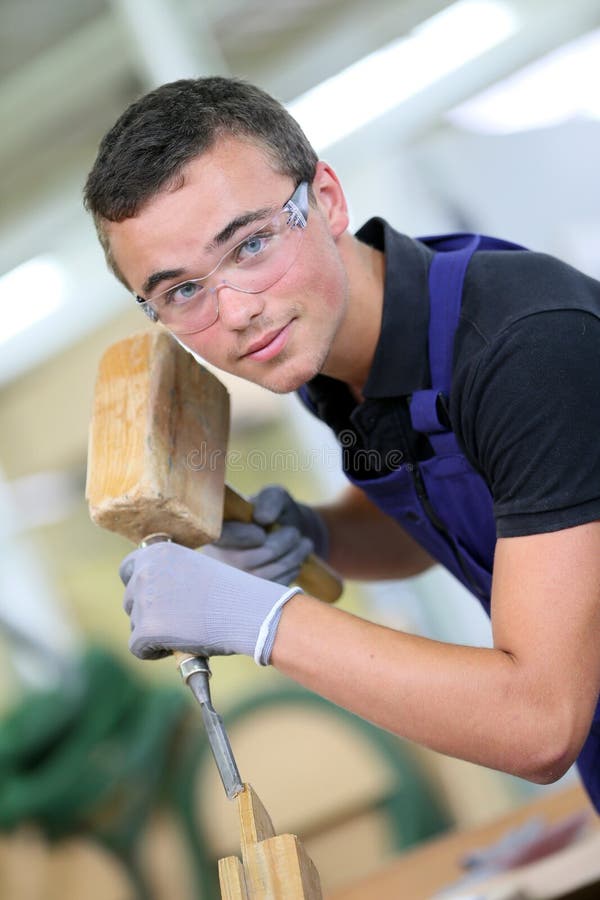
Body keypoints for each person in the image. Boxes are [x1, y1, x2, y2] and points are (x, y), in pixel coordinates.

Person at [84, 76, 600, 811]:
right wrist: (309, 537)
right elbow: (433, 528)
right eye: (182, 291)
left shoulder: (524, 348)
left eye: (251, 243)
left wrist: (260, 620)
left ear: (325, 199)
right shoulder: (326, 360)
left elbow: (539, 724)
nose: (235, 311)